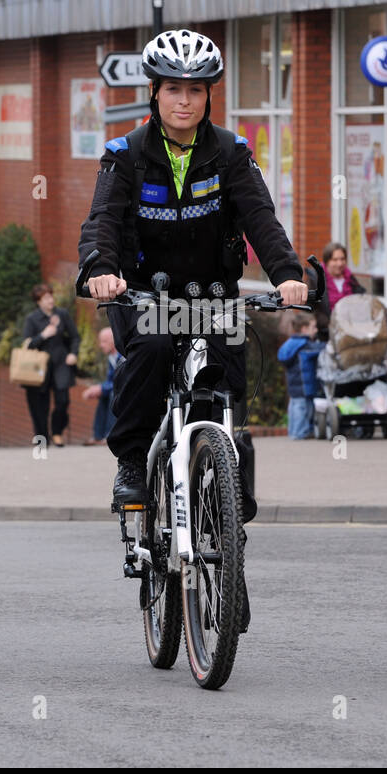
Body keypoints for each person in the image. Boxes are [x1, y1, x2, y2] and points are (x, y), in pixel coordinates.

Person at [78, 27, 307, 515]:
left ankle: (223, 480)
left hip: (214, 297)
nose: (184, 101)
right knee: (156, 346)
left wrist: (287, 274)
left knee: (226, 386)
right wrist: (101, 269)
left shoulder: (231, 153)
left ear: (208, 95)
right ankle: (134, 462)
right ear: (154, 92)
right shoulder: (126, 156)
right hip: (143, 296)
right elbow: (102, 223)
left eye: (195, 90)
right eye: (173, 89)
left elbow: (261, 219)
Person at [22, 283, 79, 447]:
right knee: (40, 405)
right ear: (38, 301)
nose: (50, 300)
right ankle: (42, 438)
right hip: (40, 367)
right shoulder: (32, 319)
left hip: (61, 363)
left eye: (51, 296)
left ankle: (57, 432)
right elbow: (28, 344)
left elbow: (75, 336)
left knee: (63, 401)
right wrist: (43, 335)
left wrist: (73, 353)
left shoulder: (62, 314)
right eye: (46, 298)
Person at [277, 311, 323, 439]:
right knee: (303, 410)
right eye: (313, 327)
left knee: (295, 407)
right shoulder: (305, 345)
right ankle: (299, 433)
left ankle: (294, 431)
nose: (316, 330)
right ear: (304, 329)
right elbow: (319, 349)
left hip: (294, 386)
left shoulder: (291, 344)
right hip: (304, 386)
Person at [307, 241, 365, 340]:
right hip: (326, 335)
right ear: (327, 261)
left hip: (350, 333)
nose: (339, 263)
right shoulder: (316, 279)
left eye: (342, 259)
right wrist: (329, 323)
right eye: (335, 259)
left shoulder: (350, 278)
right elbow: (310, 309)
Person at [82, 326, 120, 444]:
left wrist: (101, 388)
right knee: (104, 395)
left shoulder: (122, 356)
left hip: (128, 391)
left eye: (104, 341)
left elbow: (120, 382)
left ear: (114, 341)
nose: (101, 345)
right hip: (117, 388)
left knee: (113, 394)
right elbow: (111, 380)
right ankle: (98, 435)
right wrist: (100, 389)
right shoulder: (111, 358)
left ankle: (110, 434)